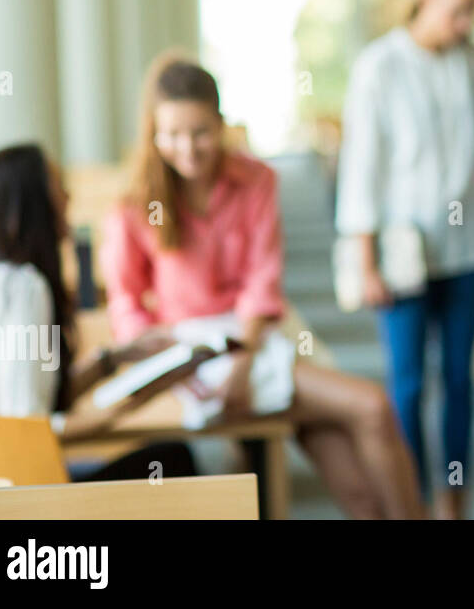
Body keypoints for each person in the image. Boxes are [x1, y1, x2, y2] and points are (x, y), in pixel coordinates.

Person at [100, 53, 425, 518]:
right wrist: (165, 362)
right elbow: (126, 301)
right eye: (171, 134)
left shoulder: (256, 179)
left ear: (222, 124)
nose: (187, 148)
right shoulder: (133, 203)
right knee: (371, 407)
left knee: (357, 489)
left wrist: (243, 358)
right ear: (153, 132)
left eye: (201, 132)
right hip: (190, 353)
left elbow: (261, 278)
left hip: (259, 334)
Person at [335, 0, 474, 520]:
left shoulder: (470, 61)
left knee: (460, 384)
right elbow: (362, 167)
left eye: (473, 11)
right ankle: (414, 504)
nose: (465, 23)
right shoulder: (380, 65)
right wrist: (364, 259)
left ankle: (455, 504)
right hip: (401, 254)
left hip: (467, 248)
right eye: (458, 9)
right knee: (406, 386)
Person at [0, 144, 196, 480]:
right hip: (25, 495)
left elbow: (31, 396)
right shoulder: (24, 288)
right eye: (57, 186)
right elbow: (27, 426)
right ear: (32, 203)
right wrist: (131, 403)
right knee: (174, 460)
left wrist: (114, 360)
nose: (68, 196)